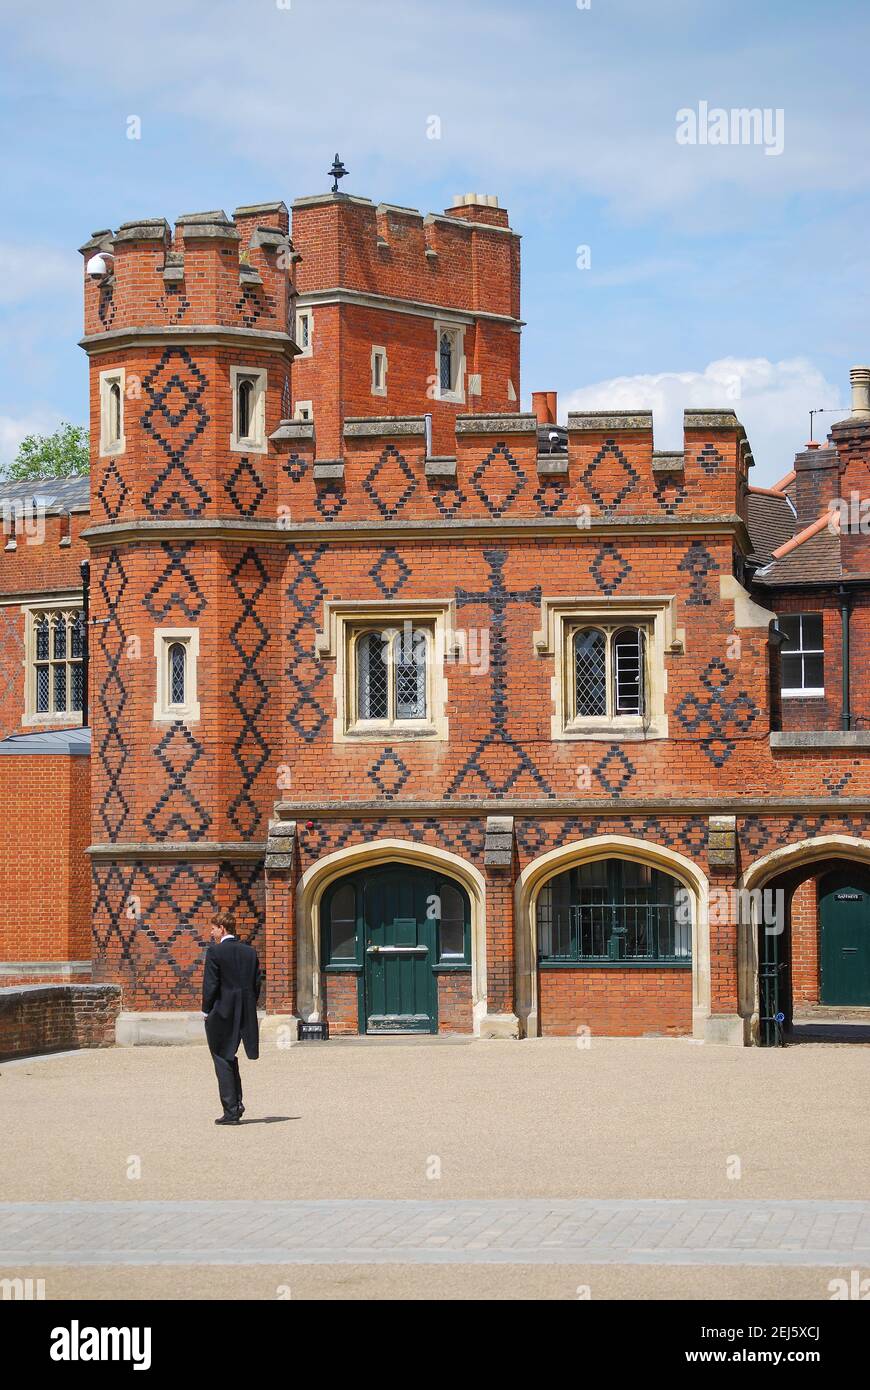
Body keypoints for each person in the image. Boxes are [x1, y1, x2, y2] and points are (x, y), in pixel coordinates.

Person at [201, 911, 262, 1125]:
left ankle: (231, 1111)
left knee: (221, 1056)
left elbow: (211, 986)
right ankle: (236, 1103)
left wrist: (206, 1010)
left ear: (222, 928)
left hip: (222, 1011)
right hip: (245, 1009)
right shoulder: (249, 952)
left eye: (213, 928)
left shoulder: (215, 952)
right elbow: (257, 983)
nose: (211, 932)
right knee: (229, 1055)